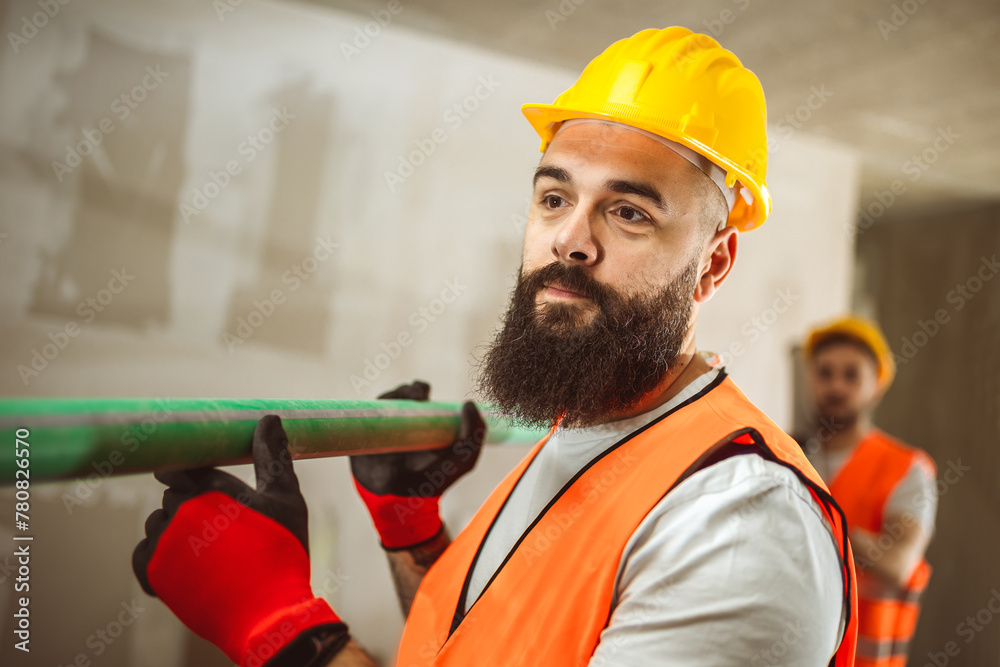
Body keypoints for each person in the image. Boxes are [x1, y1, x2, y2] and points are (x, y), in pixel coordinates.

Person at [132, 27, 858, 666]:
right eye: (554, 197)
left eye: (629, 212)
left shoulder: (742, 524)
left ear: (714, 265)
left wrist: (284, 633)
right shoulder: (594, 427)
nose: (570, 239)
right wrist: (412, 539)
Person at [799, 316, 937, 667]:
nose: (836, 386)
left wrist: (822, 530)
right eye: (825, 373)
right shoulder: (788, 453)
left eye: (851, 375)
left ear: (875, 385)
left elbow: (898, 563)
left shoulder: (907, 468)